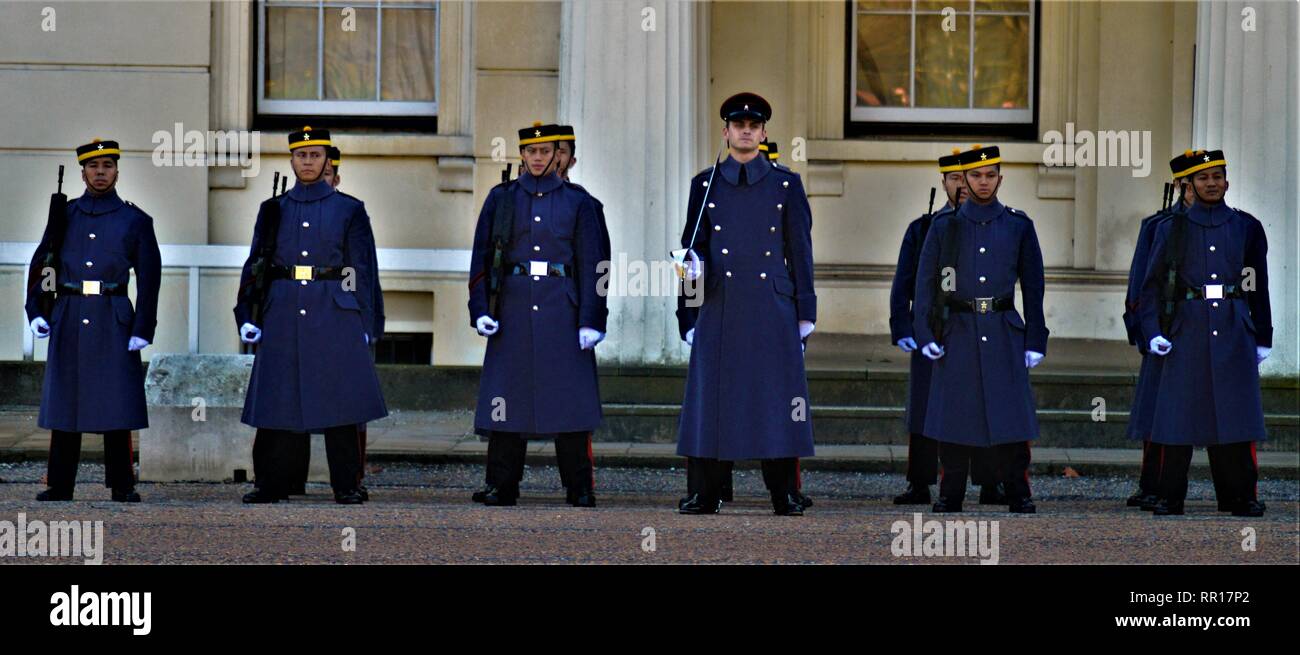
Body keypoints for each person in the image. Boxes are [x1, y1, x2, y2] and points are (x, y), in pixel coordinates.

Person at [675, 92, 816, 516]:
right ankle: (706, 490)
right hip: (720, 303)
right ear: (727, 131)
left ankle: (784, 492)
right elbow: (691, 253)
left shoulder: (785, 184)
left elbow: (801, 250)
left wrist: (805, 312)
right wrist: (688, 312)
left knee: (777, 397)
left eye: (754, 126)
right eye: (739, 125)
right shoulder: (705, 184)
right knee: (711, 399)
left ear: (763, 133)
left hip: (772, 305)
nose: (747, 131)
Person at [235, 126, 387, 504]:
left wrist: (364, 320)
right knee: (279, 398)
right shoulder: (274, 209)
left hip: (332, 307)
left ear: (327, 160)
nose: (307, 162)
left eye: (315, 155)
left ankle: (347, 483)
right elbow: (256, 264)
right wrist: (247, 313)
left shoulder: (349, 209)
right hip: (283, 307)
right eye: (301, 156)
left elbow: (359, 269)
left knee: (339, 400)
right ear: (291, 160)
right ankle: (271, 482)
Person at [467, 122, 606, 507]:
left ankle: (579, 486)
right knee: (506, 399)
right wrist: (479, 308)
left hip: (562, 305)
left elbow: (595, 265)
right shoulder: (503, 198)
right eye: (532, 152)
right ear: (522, 155)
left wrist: (592, 319)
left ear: (556, 155)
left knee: (569, 401)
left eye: (546, 151)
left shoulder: (578, 202)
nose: (539, 158)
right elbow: (481, 257)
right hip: (511, 303)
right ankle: (501, 484)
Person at [911, 144, 1048, 514]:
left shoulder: (1018, 225)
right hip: (958, 328)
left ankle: (1018, 491)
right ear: (964, 180)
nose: (983, 182)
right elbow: (926, 283)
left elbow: (1033, 287)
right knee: (955, 417)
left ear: (1000, 178)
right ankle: (950, 492)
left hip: (1003, 327)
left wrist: (1035, 337)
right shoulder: (945, 226)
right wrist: (924, 333)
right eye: (975, 176)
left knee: (1010, 418)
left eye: (990, 175)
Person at [26, 138, 161, 502]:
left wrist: (143, 327)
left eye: (107, 166)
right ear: (82, 171)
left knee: (116, 401)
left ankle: (122, 483)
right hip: (69, 311)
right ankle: (60, 483)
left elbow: (149, 277)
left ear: (117, 170)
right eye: (93, 166)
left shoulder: (135, 220)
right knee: (66, 400)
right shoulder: (65, 215)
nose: (100, 173)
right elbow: (46, 265)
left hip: (112, 313)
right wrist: (38, 308)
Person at [1138, 149, 1270, 517]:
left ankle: (1239, 495)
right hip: (1186, 324)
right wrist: (1150, 332)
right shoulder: (1170, 228)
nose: (1211, 183)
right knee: (1177, 415)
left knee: (1233, 414)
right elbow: (1149, 287)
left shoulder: (1247, 226)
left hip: (1232, 324)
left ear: (1227, 181)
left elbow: (1257, 284)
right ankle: (1169, 494)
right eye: (1203, 178)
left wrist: (1263, 334)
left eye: (1217, 176)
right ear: (1191, 184)